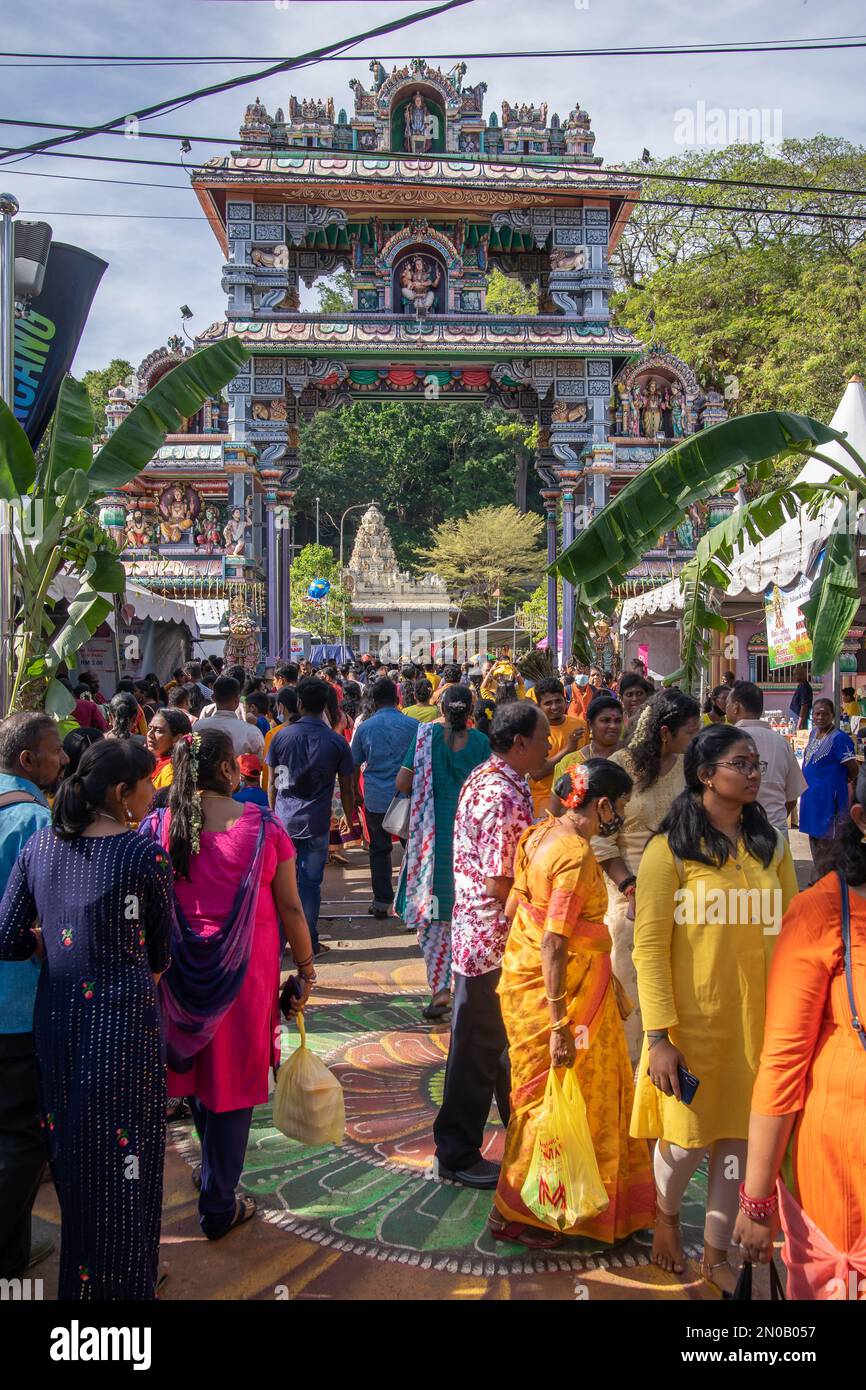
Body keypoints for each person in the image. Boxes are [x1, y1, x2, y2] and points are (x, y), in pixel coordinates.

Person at [0, 738, 172, 1299]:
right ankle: (127, 1290)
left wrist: (50, 939)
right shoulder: (143, 855)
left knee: (73, 1155)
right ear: (122, 793)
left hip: (59, 1025)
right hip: (124, 1030)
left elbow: (6, 937)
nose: (153, 793)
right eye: (147, 784)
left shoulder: (41, 848)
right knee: (128, 1161)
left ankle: (84, 1289)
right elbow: (160, 956)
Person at [631, 723, 798, 1294]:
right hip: (692, 1029)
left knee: (738, 1146)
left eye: (757, 764)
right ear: (706, 776)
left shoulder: (770, 844)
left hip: (761, 1024)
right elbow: (648, 946)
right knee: (683, 1144)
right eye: (740, 764)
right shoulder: (668, 851)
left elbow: (794, 929)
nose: (754, 774)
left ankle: (717, 1253)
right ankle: (667, 1215)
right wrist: (658, 1037)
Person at [140, 728, 314, 1242]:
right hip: (244, 976)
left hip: (176, 973)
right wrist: (306, 969)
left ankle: (213, 1172)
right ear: (224, 770)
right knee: (234, 1086)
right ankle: (218, 1202)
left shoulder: (159, 826)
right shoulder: (260, 826)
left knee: (195, 1068)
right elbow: (290, 908)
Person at [489, 758, 655, 1248]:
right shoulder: (575, 855)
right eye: (619, 807)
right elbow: (554, 942)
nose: (618, 816)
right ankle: (521, 1212)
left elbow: (514, 908)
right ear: (602, 804)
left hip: (528, 987)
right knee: (568, 1096)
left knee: (554, 1095)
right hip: (563, 995)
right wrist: (560, 1022)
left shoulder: (538, 835)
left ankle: (569, 1204)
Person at [733, 768, 866, 1297]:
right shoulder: (823, 914)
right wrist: (757, 1201)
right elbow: (782, 1065)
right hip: (845, 1184)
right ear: (860, 819)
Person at [432, 701, 547, 1189]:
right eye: (543, 739)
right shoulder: (500, 793)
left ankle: (522, 1139)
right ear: (520, 743)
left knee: (500, 1048)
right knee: (477, 1051)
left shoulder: (498, 777)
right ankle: (456, 1152)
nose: (549, 746)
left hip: (487, 936)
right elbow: (505, 882)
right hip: (490, 940)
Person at [590, 690, 701, 1065]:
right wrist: (631, 887)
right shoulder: (620, 767)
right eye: (689, 733)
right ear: (665, 732)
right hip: (629, 896)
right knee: (632, 987)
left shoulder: (689, 768)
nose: (693, 740)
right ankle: (632, 1071)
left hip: (682, 891)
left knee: (679, 985)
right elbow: (602, 841)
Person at [0, 715, 68, 1279]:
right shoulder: (35, 822)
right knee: (22, 1137)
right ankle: (8, 1258)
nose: (64, 761)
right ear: (27, 761)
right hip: (17, 1006)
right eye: (53, 753)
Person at [395, 686, 490, 1020]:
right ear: (470, 711)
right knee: (469, 913)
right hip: (470, 840)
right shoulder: (480, 743)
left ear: (442, 707)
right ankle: (467, 991)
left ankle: (440, 992)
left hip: (431, 843)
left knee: (434, 917)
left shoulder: (425, 738)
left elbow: (403, 783)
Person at [267, 679, 354, 956]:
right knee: (310, 884)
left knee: (282, 885)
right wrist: (350, 819)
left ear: (300, 704)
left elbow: (273, 783)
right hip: (316, 822)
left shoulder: (281, 736)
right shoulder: (337, 742)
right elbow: (349, 787)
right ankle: (309, 942)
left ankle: (280, 943)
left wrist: (273, 814)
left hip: (284, 820)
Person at [352, 678, 417, 919]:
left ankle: (382, 901)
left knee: (379, 850)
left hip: (376, 798)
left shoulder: (365, 728)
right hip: (407, 797)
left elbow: (354, 763)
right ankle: (412, 901)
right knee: (412, 848)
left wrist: (355, 794)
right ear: (397, 699)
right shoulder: (414, 725)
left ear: (374, 701)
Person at [726, 680, 807, 837]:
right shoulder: (781, 742)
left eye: (728, 703)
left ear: (736, 707)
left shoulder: (724, 740)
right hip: (775, 831)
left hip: (737, 833)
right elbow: (792, 795)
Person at [799, 697, 858, 878]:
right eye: (817, 713)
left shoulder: (839, 738)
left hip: (829, 801)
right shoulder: (812, 734)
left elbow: (853, 769)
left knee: (829, 842)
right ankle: (817, 877)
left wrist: (837, 783)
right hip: (811, 800)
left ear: (833, 715)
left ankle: (826, 881)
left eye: (825, 713)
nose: (820, 717)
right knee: (814, 839)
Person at [526, 677, 586, 819]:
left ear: (565, 700)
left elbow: (584, 766)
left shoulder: (580, 725)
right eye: (548, 703)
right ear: (539, 705)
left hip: (577, 805)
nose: (554, 707)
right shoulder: (532, 730)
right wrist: (568, 749)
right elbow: (537, 773)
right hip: (543, 807)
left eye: (558, 701)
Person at [549, 694, 624, 799]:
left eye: (618, 721)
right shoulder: (571, 763)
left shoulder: (635, 758)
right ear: (590, 724)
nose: (613, 726)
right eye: (605, 720)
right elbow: (556, 809)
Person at [197, 676, 264, 757]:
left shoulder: (197, 728)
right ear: (237, 701)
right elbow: (261, 763)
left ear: (213, 698)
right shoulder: (252, 733)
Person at [146, 709, 193, 790]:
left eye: (158, 730)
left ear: (178, 738)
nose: (150, 734)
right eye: (149, 728)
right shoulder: (152, 762)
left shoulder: (171, 772)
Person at [789, 665, 813, 731]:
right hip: (795, 719)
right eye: (793, 674)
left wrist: (799, 724)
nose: (793, 677)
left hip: (799, 720)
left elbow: (804, 706)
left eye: (796, 674)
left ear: (803, 675)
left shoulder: (805, 687)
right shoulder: (801, 685)